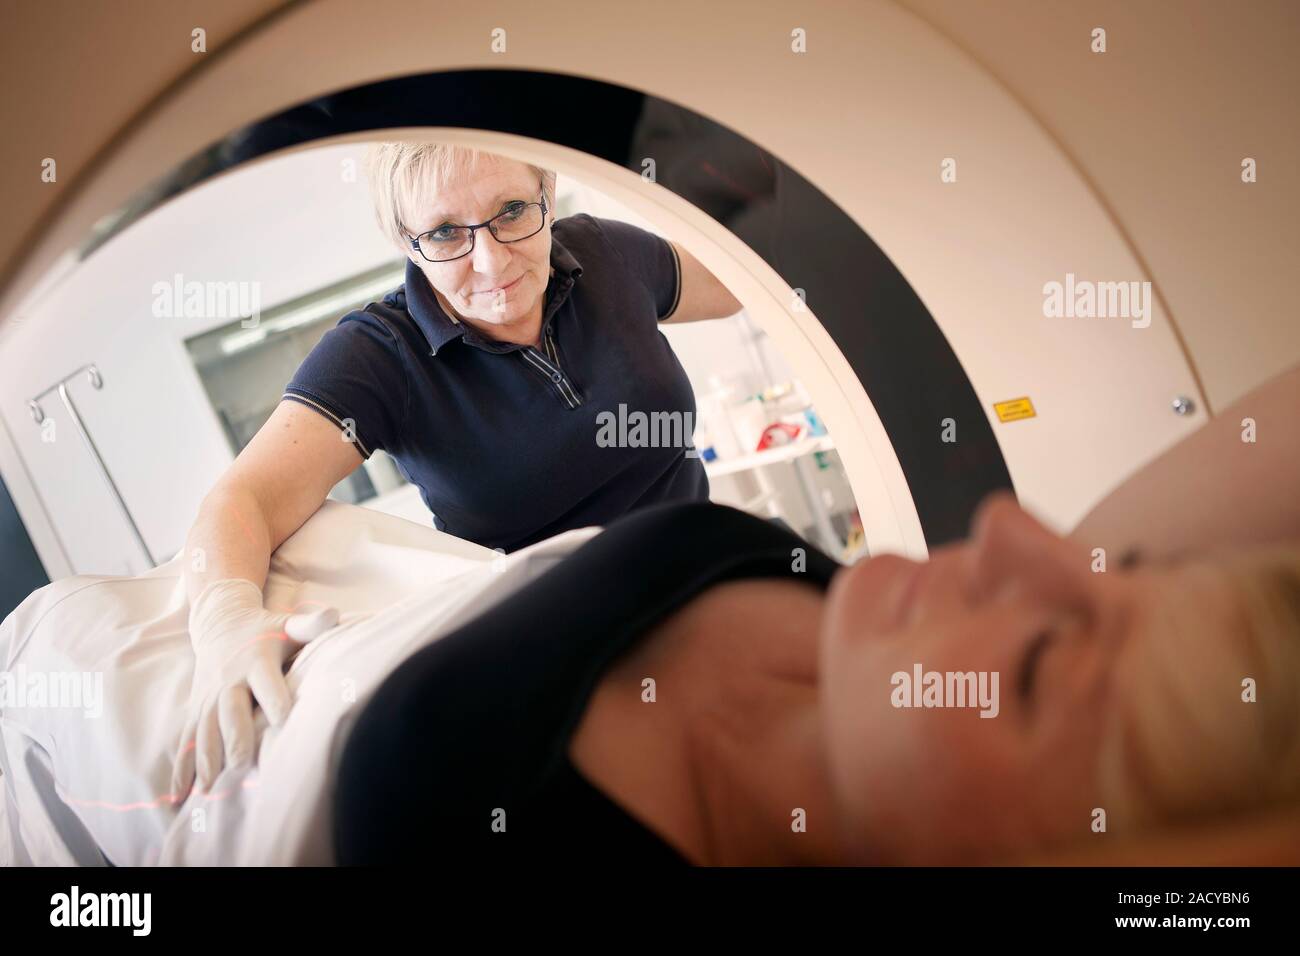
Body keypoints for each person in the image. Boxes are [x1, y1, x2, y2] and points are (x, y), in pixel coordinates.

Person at [332, 363, 1300, 864]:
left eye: (1040, 661)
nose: (1013, 532)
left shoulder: (456, 832)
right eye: (1123, 568)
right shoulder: (873, 657)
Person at [171, 142, 742, 800]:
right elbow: (242, 499)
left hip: (707, 582)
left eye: (511, 211)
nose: (492, 260)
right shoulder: (380, 355)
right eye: (444, 232)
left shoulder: (609, 256)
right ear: (406, 241)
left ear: (548, 192)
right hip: (567, 656)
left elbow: (737, 285)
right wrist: (224, 624)